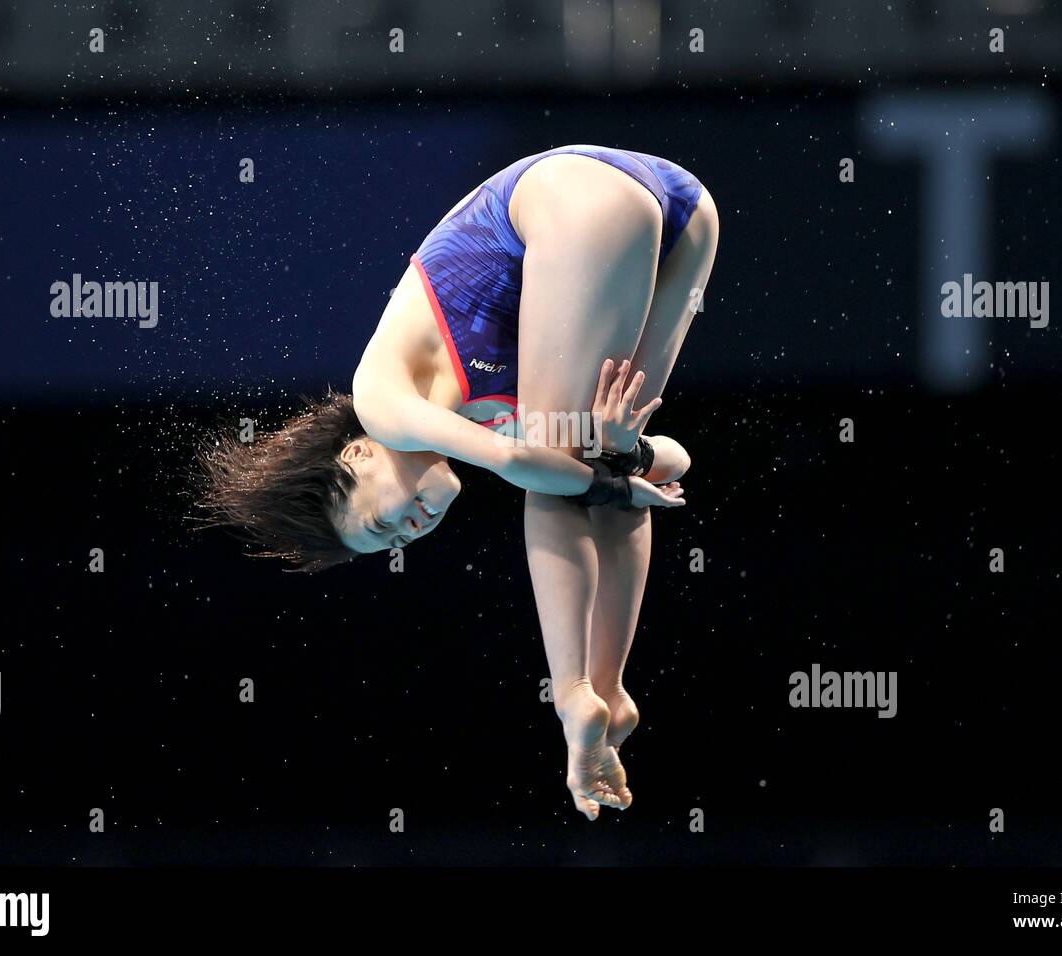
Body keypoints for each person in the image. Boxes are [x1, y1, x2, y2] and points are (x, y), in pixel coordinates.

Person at [200, 145, 719, 819]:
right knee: (595, 455)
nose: (409, 531)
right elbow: (671, 465)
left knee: (565, 473)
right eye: (396, 542)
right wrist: (623, 455)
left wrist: (608, 477)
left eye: (381, 522)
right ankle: (609, 687)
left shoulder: (381, 399)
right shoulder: (500, 417)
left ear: (356, 459)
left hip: (575, 195)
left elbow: (524, 467)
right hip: (686, 213)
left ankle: (571, 696)